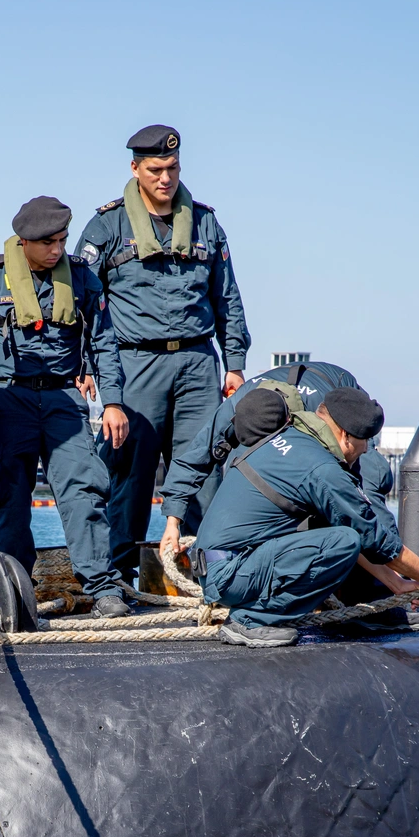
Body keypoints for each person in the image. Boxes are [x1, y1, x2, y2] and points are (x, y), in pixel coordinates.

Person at [74, 124, 251, 581]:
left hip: (197, 364)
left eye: (172, 168)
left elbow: (227, 298)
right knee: (128, 473)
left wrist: (235, 365)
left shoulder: (206, 222)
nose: (165, 179)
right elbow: (80, 303)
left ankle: (209, 573)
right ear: (135, 169)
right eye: (155, 170)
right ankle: (115, 579)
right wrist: (86, 364)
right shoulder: (108, 225)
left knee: (204, 475)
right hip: (135, 366)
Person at [181, 386, 419, 648]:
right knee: (343, 540)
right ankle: (253, 620)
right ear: (346, 436)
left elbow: (355, 533)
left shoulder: (291, 437)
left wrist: (397, 585)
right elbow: (376, 541)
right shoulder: (322, 470)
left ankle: (256, 612)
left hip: (220, 566)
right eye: (365, 443)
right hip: (230, 574)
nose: (366, 451)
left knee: (342, 534)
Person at [0, 196, 130, 617]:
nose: (57, 250)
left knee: (84, 491)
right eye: (48, 242)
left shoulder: (82, 279)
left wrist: (114, 402)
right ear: (25, 241)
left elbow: (104, 343)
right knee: (9, 495)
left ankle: (102, 587)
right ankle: (15, 586)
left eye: (63, 241)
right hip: (11, 399)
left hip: (65, 400)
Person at [160, 359, 396, 538]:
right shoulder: (236, 409)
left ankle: (384, 581)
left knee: (366, 478)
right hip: (269, 403)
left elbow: (361, 476)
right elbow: (193, 460)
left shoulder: (327, 413)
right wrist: (173, 523)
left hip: (336, 387)